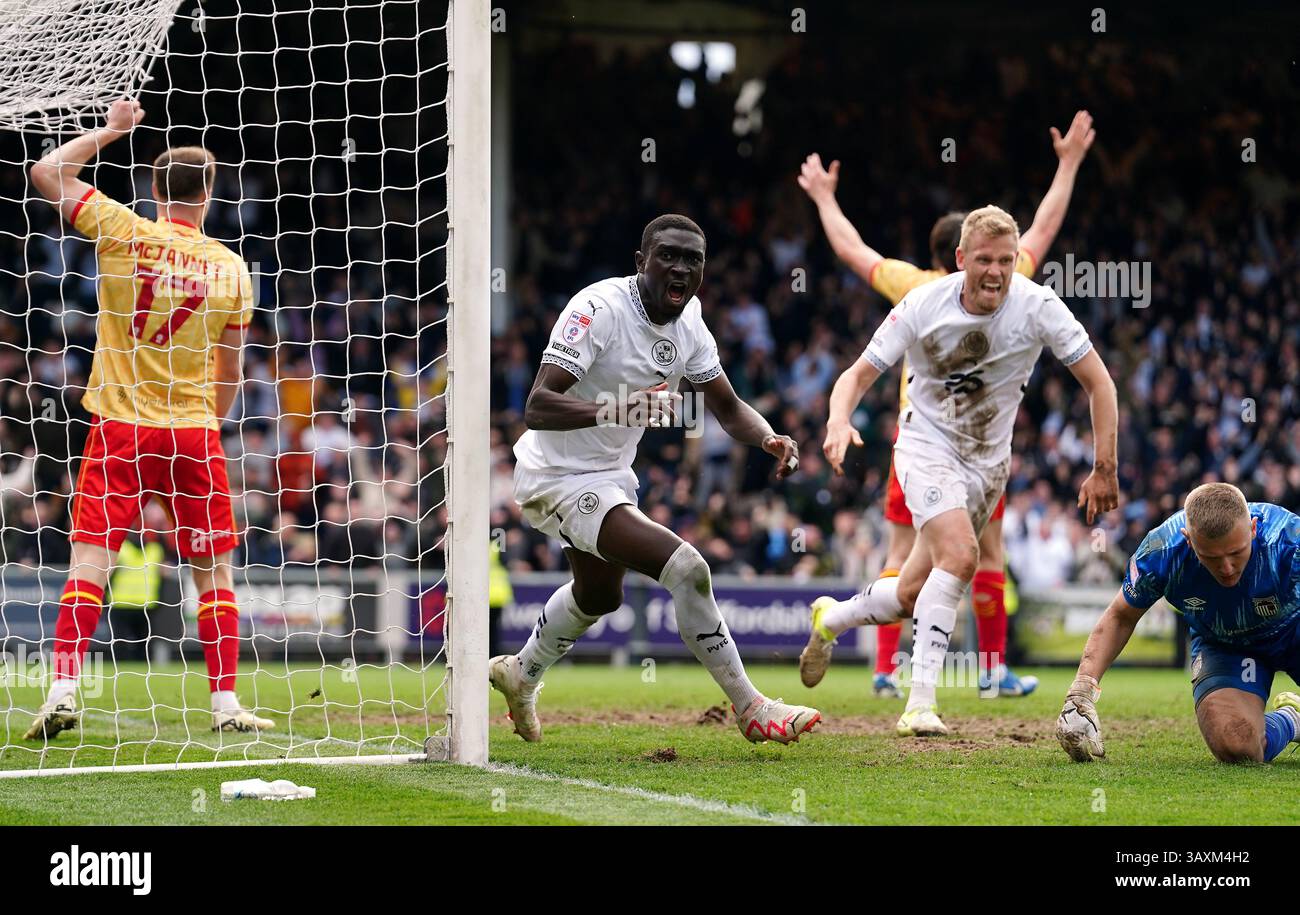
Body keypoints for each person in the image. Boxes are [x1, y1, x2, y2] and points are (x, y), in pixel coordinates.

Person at [798, 110, 1096, 698]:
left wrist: (826, 201)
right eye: (984, 256)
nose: (997, 268)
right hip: (927, 442)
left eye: (1000, 259)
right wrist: (1068, 165)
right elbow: (1045, 227)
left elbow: (852, 249)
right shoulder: (929, 296)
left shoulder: (921, 280)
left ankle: (882, 661)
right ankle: (978, 673)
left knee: (910, 558)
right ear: (960, 254)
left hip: (983, 449)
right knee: (977, 553)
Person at [491, 213, 821, 745]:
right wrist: (618, 407)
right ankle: (751, 706)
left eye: (693, 260)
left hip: (610, 475)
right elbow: (538, 406)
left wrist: (768, 438)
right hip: (556, 474)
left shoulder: (690, 324)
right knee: (687, 569)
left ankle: (520, 673)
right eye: (669, 255)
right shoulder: (598, 310)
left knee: (599, 596)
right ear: (641, 262)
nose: (682, 268)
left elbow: (729, 407)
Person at [23, 99, 271, 740]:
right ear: (208, 193)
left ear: (155, 189)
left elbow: (47, 172)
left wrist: (109, 131)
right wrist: (208, 420)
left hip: (121, 426)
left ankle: (62, 689)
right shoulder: (230, 267)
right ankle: (224, 706)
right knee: (212, 571)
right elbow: (231, 368)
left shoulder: (123, 229)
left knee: (89, 564)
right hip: (191, 430)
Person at [1058, 483, 1300, 764]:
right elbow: (1120, 616)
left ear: (1253, 529)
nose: (1226, 568)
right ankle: (1292, 719)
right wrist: (1081, 692)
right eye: (1211, 557)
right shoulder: (1162, 551)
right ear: (1188, 539)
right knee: (1237, 745)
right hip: (1225, 644)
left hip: (1293, 630)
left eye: (1236, 552)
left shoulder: (1289, 538)